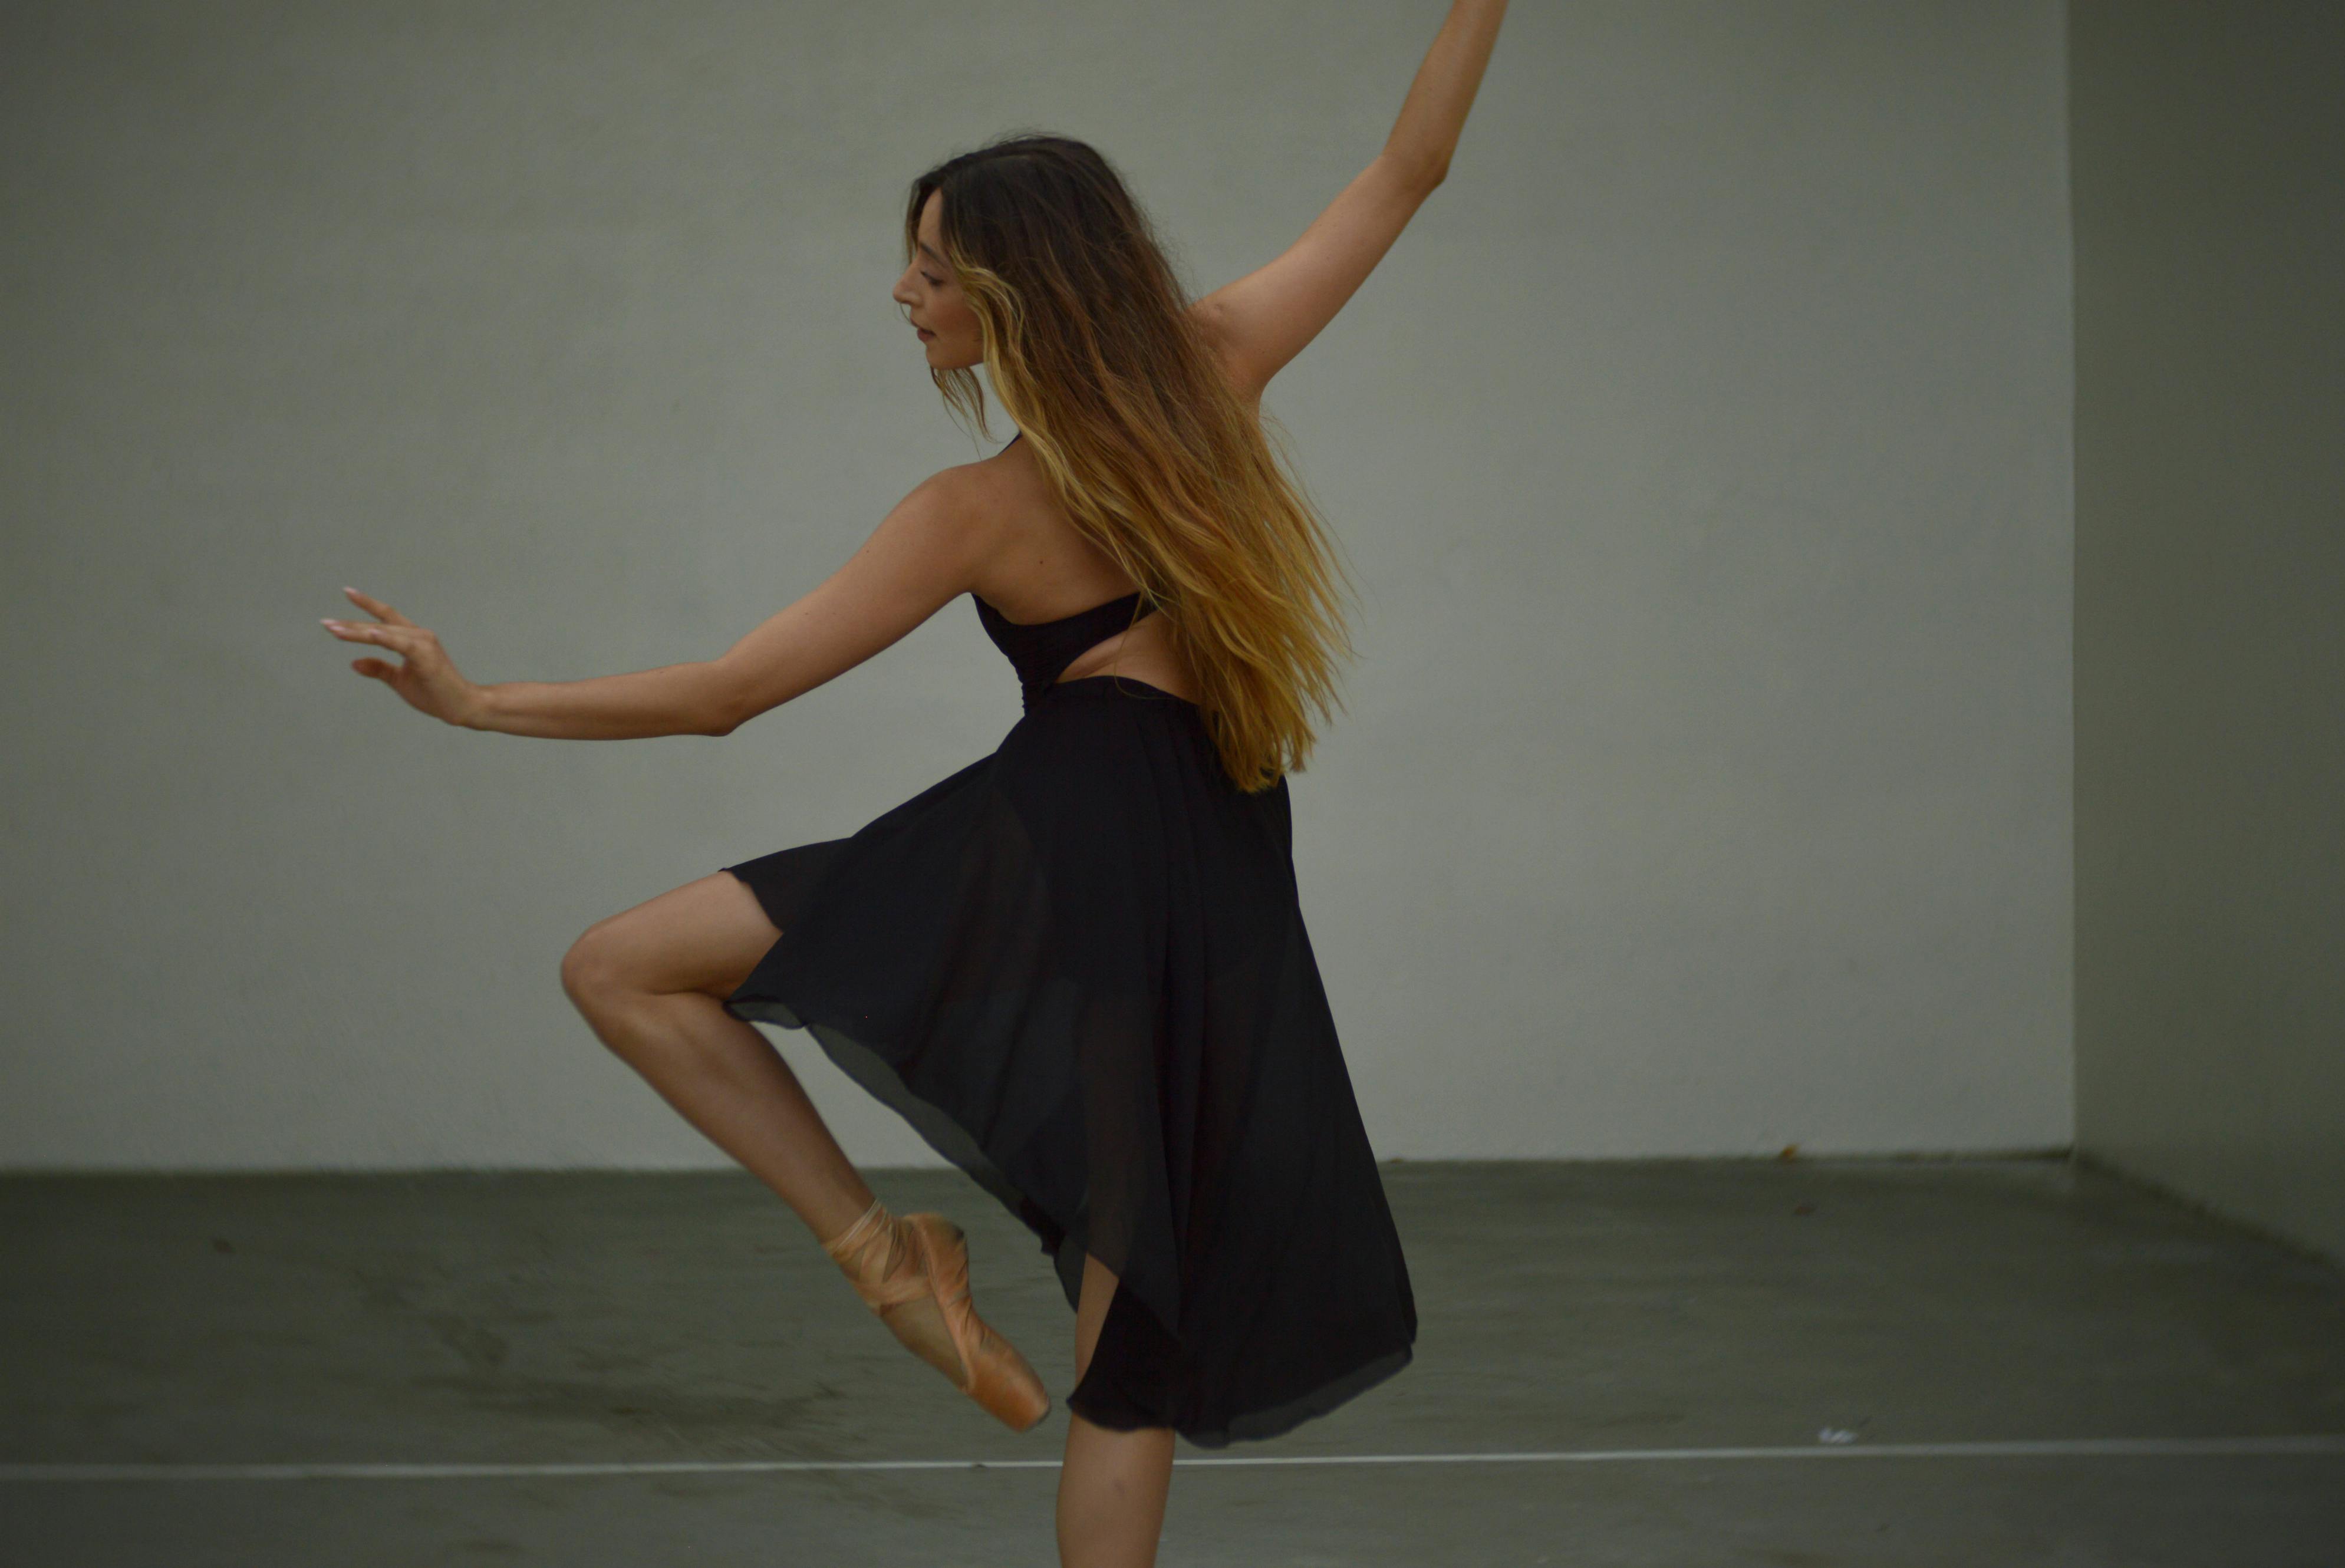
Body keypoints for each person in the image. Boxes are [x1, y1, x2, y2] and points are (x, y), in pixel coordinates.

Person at [321, 5, 1504, 1560]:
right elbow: (1410, 169)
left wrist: (482, 704)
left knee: (619, 967)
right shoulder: (1216, 367)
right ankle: (903, 1271)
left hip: (1066, 851)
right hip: (1213, 867)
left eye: (934, 269)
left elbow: (730, 693)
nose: (905, 292)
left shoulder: (979, 510)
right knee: (1131, 1345)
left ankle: (890, 1262)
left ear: (1022, 288)